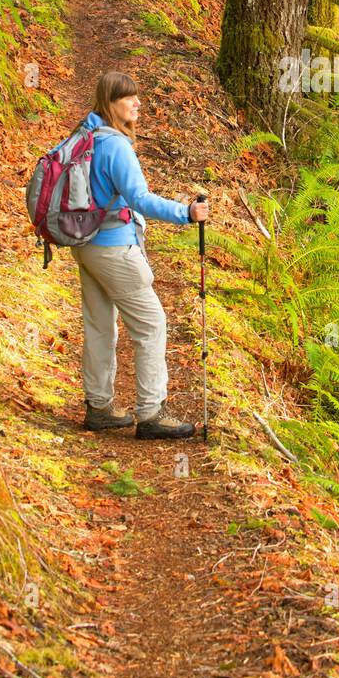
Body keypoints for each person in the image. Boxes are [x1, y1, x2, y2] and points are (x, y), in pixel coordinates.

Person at [66, 69, 209, 439]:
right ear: (110, 104)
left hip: (86, 245)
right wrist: (185, 212)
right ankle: (151, 413)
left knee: (99, 325)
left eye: (136, 96)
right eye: (128, 97)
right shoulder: (115, 146)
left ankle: (98, 407)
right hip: (114, 248)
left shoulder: (86, 136)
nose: (136, 102)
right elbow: (139, 199)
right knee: (151, 324)